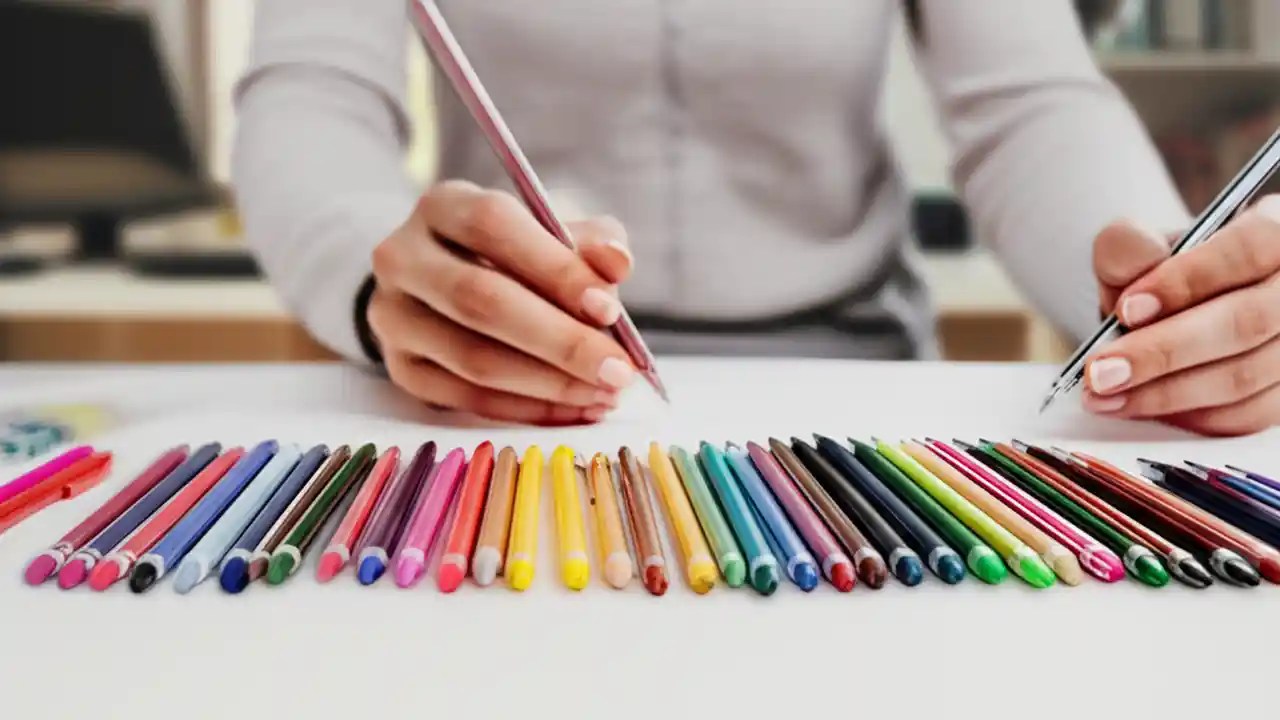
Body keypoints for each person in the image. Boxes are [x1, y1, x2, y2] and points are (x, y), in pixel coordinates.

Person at [234, 0, 1280, 434]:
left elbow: (1027, 104)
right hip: (498, 398)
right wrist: (382, 289)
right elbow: (308, 95)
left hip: (852, 396)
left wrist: (1167, 294)